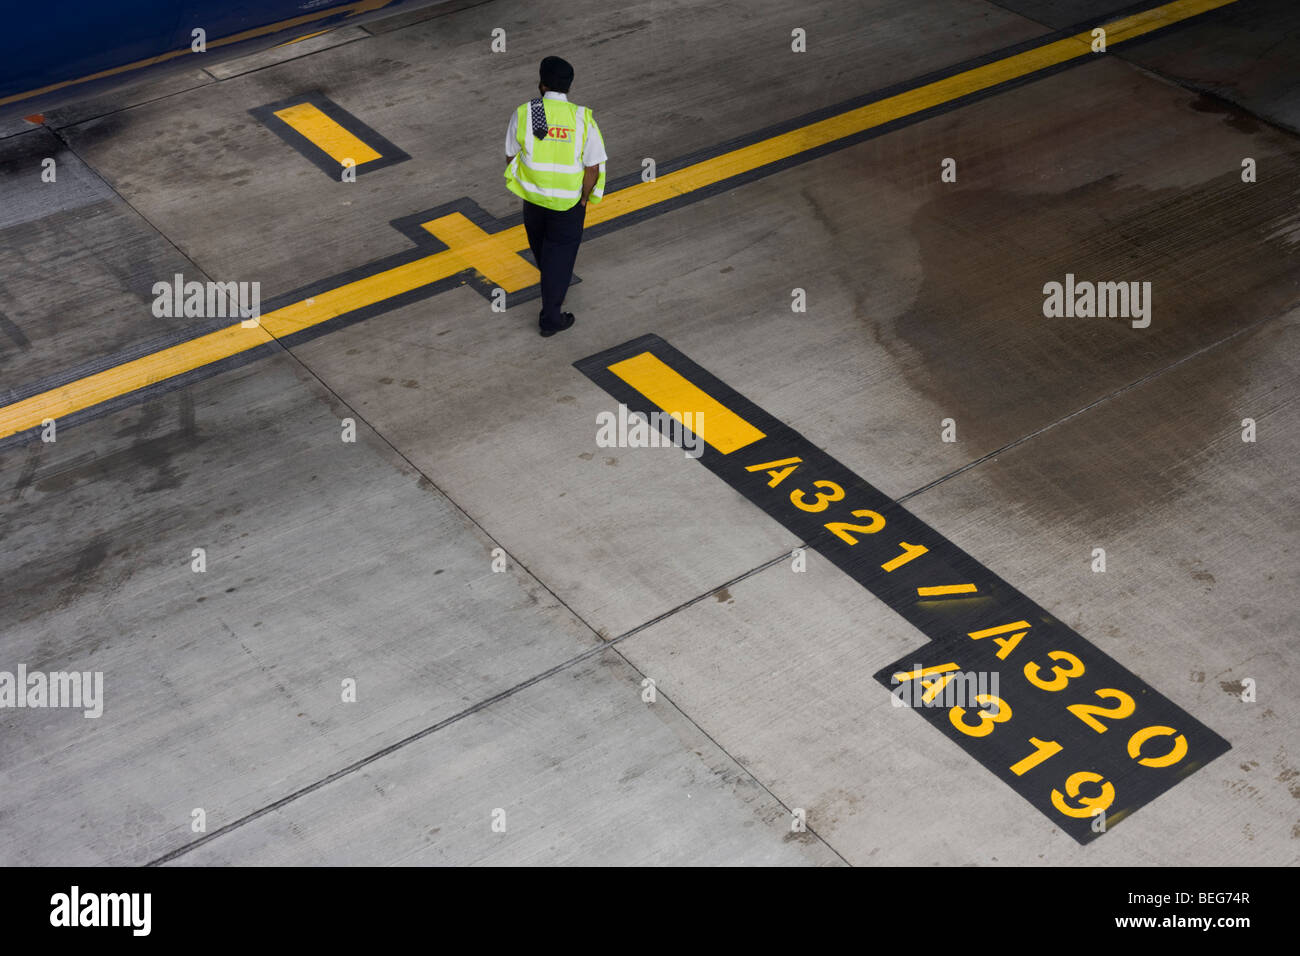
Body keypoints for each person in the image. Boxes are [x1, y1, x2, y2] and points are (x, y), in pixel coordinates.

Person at [504, 56, 607, 337]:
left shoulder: (527, 112)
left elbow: (510, 155)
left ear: (542, 84)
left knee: (544, 253)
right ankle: (551, 319)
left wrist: (529, 183)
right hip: (568, 205)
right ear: (569, 87)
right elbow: (593, 167)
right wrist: (585, 198)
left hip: (534, 202)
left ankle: (553, 281)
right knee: (559, 258)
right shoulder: (581, 118)